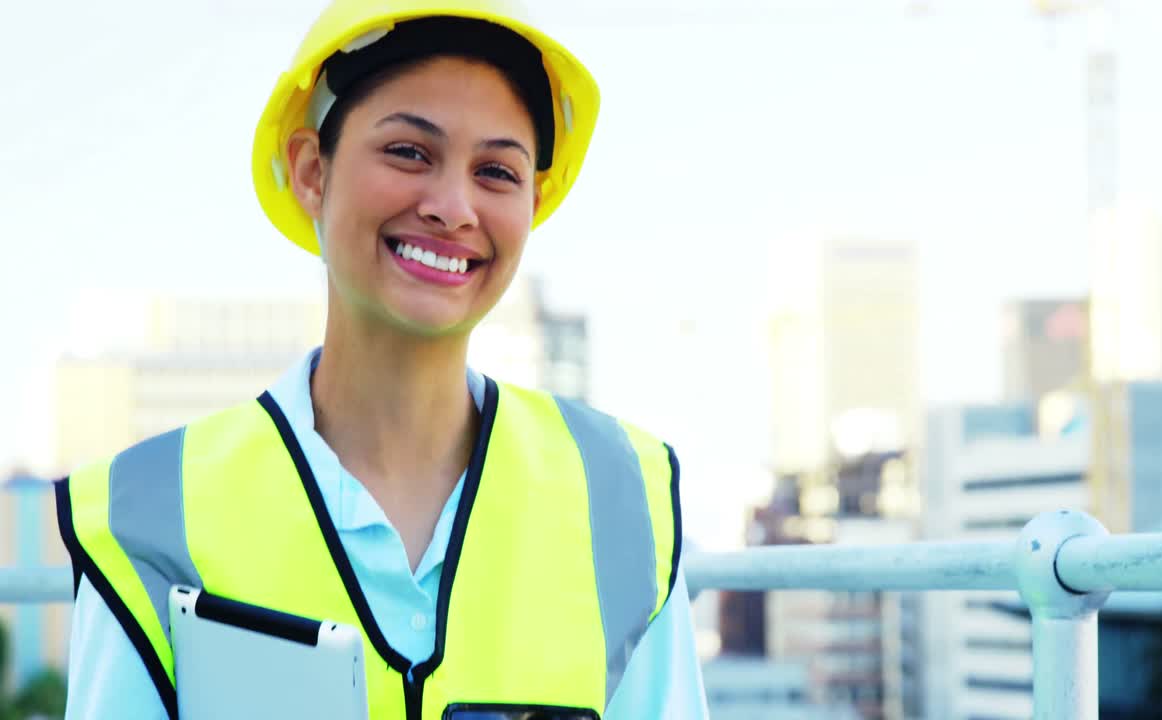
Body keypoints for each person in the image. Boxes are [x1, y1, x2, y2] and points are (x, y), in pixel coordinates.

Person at [55, 1, 708, 717]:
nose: (454, 206)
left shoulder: (624, 500)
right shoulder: (147, 515)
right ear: (311, 170)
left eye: (496, 171)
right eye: (409, 152)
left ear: (533, 201)